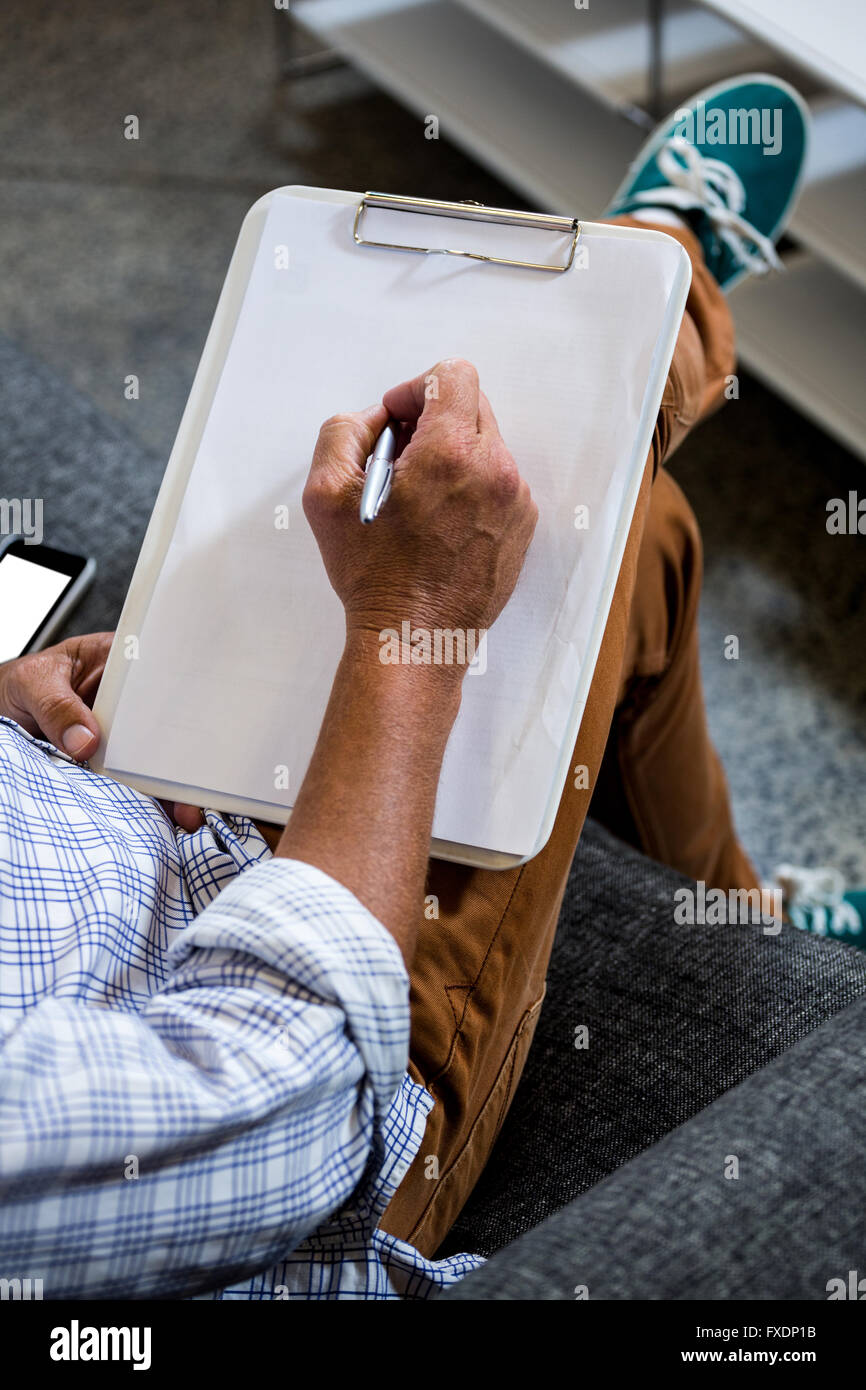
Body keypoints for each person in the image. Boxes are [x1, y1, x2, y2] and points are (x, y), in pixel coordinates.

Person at [0, 76, 828, 1299]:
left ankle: (746, 913)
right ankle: (666, 268)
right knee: (614, 506)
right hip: (334, 1083)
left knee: (625, 527)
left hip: (154, 781)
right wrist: (409, 631)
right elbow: (285, 1108)